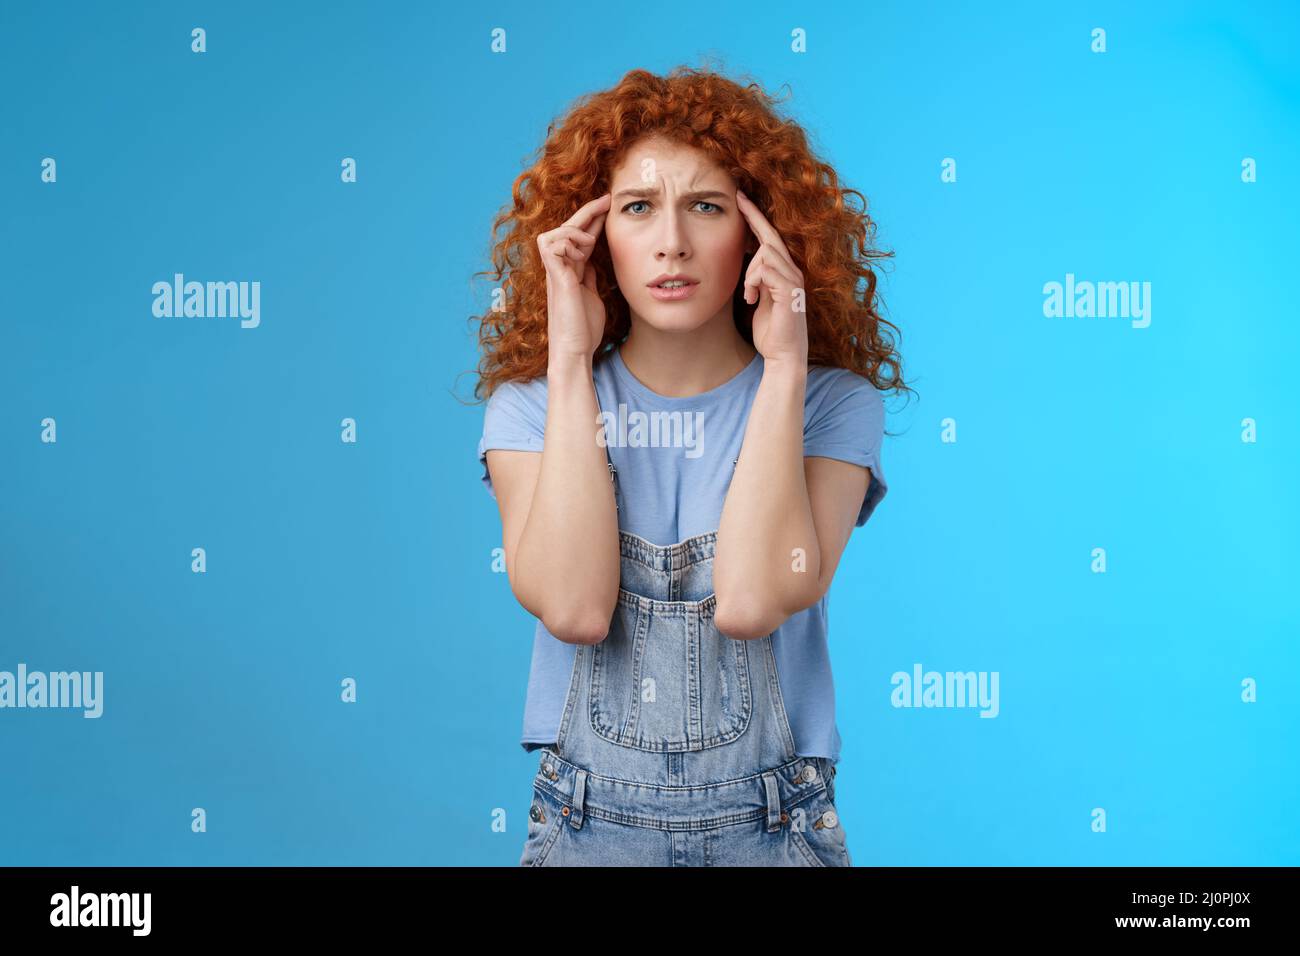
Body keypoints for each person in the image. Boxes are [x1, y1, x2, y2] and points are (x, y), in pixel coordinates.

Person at [470, 64, 912, 866]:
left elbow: (751, 599)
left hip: (775, 830)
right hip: (585, 829)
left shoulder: (831, 406)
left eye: (706, 206)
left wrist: (783, 368)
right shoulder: (533, 408)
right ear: (596, 232)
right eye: (638, 207)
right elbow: (573, 608)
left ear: (758, 230)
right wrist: (570, 361)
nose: (672, 241)